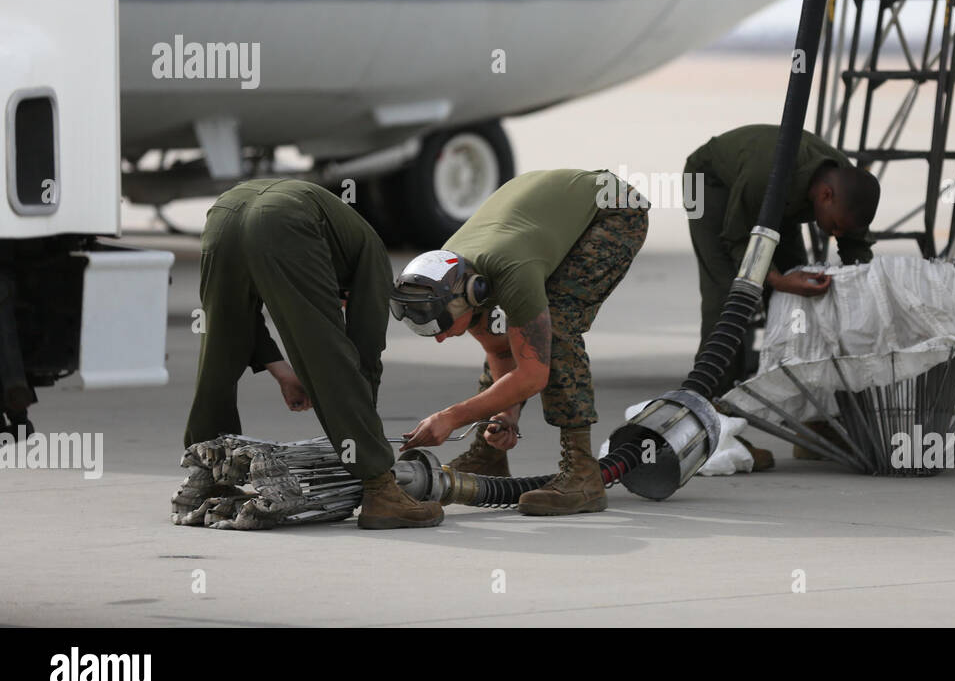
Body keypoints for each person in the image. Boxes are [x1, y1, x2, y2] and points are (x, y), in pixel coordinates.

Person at [183, 179, 443, 530]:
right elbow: (361, 355)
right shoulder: (374, 256)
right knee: (328, 355)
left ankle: (206, 477)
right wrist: (364, 440)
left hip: (224, 213)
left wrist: (284, 373)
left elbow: (240, 323)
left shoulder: (342, 238)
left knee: (218, 342)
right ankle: (381, 492)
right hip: (285, 220)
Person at [391, 168, 648, 517]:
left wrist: (451, 417)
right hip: (543, 216)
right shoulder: (452, 273)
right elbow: (499, 348)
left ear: (471, 294)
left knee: (555, 328)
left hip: (612, 207)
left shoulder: (510, 270)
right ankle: (489, 455)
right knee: (512, 328)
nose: (439, 338)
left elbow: (532, 375)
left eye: (442, 326)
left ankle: (583, 474)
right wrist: (505, 417)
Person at [683, 125, 880, 469]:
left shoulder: (845, 184)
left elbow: (855, 245)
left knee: (807, 300)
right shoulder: (766, 174)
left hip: (774, 199)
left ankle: (814, 424)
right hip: (711, 186)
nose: (834, 234)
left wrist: (859, 294)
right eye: (833, 226)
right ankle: (712, 431)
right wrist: (775, 279)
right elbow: (738, 239)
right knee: (730, 298)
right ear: (825, 196)